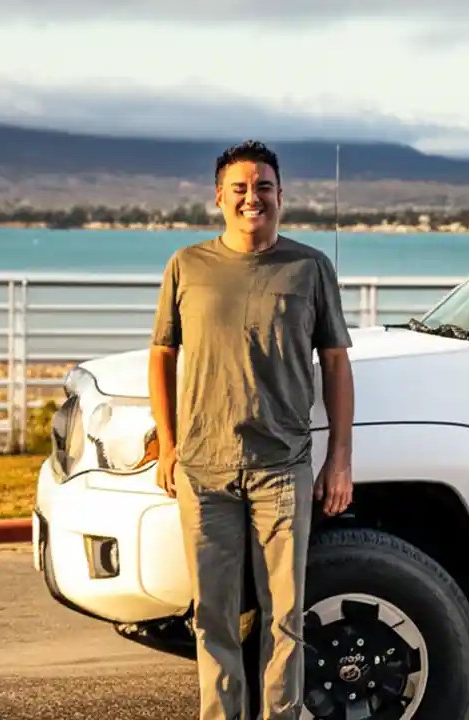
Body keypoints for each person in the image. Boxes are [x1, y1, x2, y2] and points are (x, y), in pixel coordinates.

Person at [148, 140, 355, 720]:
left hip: (282, 467)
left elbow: (336, 362)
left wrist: (340, 459)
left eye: (263, 186)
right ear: (219, 197)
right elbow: (161, 354)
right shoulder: (187, 266)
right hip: (204, 469)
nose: (251, 197)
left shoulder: (310, 267)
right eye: (239, 188)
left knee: (285, 615)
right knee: (212, 614)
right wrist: (166, 443)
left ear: (280, 196)